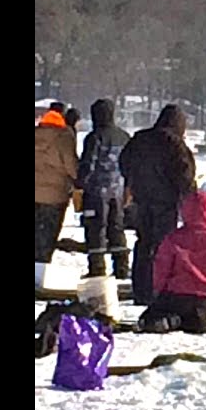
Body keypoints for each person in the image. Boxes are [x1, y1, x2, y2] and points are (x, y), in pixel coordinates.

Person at [119, 104, 196, 305]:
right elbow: (185, 175)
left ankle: (140, 288)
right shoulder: (175, 144)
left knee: (143, 242)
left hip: (141, 199)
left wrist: (134, 181)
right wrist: (189, 198)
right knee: (162, 246)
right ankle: (156, 289)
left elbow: (124, 162)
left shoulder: (140, 138)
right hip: (166, 203)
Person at [138, 191, 206, 334]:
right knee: (194, 314)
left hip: (176, 295)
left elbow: (162, 267)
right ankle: (195, 320)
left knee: (149, 318)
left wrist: (158, 290)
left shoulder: (174, 238)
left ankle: (175, 320)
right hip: (205, 298)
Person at [77, 99, 132, 279]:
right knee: (117, 227)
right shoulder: (124, 136)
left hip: (96, 191)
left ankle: (97, 268)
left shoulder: (94, 137)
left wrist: (79, 184)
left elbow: (88, 165)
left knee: (95, 228)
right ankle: (122, 267)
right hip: (118, 191)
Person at [35, 106, 79, 267]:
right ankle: (41, 266)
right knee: (48, 233)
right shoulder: (64, 138)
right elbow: (72, 167)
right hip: (55, 196)